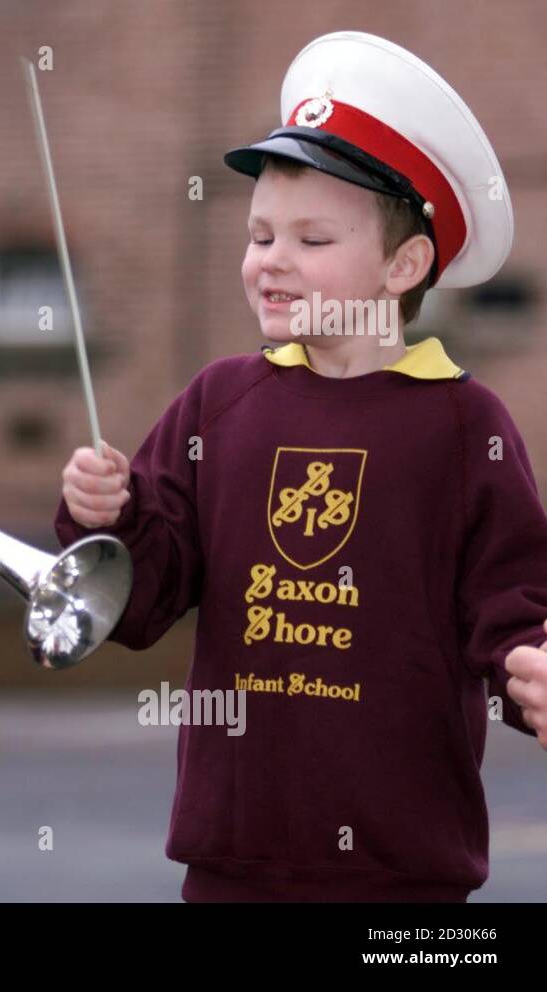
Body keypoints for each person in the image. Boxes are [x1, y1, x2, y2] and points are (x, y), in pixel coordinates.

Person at [56, 31, 547, 901]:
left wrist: (535, 668)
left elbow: (514, 609)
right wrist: (108, 515)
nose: (271, 260)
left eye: (311, 240)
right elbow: (141, 597)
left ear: (404, 265)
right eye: (259, 235)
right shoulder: (220, 402)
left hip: (406, 881)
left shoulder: (468, 427)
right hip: (229, 865)